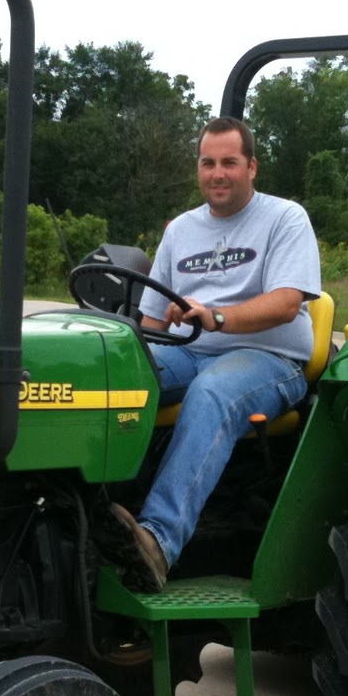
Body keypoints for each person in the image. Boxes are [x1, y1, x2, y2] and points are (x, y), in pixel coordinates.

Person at [113, 116, 321, 591]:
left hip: (268, 359)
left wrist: (217, 316)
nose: (218, 172)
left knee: (213, 391)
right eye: (208, 163)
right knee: (115, 376)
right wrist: (136, 351)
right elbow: (150, 325)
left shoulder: (285, 219)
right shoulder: (181, 229)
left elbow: (288, 302)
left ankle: (158, 542)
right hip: (188, 352)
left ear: (252, 167)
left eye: (230, 162)